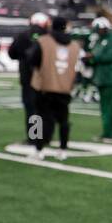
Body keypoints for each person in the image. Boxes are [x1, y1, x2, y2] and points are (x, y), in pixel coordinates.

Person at [27, 16, 82, 160]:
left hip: (44, 87)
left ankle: (38, 149)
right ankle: (63, 150)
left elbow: (32, 61)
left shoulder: (43, 41)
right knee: (64, 121)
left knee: (39, 119)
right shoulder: (75, 45)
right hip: (64, 88)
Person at [88, 16, 112, 143]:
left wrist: (94, 57)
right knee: (105, 108)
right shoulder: (100, 40)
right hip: (102, 79)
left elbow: (111, 56)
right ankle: (107, 133)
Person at [10, 13, 48, 142]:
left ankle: (34, 137)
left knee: (31, 108)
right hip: (44, 78)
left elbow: (11, 53)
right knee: (44, 108)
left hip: (27, 78)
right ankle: (45, 136)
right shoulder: (49, 36)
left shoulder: (22, 35)